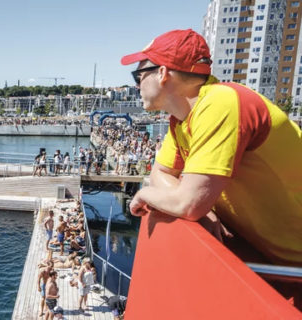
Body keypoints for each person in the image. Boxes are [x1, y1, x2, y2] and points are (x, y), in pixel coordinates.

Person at [121, 28, 302, 265]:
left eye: (139, 76)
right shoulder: (183, 119)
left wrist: (145, 194)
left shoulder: (221, 102)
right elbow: (161, 174)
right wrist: (199, 205)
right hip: (270, 255)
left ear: (162, 73)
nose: (137, 86)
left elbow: (188, 204)